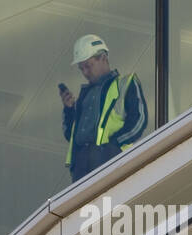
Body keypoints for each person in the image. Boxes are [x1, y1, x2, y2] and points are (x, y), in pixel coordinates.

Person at [61, 35, 148, 182]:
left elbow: (139, 120)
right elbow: (71, 135)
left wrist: (113, 145)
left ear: (103, 58)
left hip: (109, 158)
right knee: (85, 205)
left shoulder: (125, 83)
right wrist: (69, 110)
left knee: (107, 202)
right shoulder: (84, 96)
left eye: (88, 66)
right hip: (81, 163)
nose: (85, 72)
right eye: (81, 68)